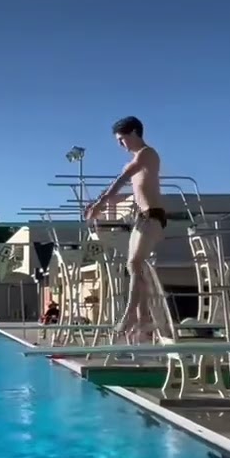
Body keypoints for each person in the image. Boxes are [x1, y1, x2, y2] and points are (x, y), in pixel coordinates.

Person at [84, 116, 167, 339]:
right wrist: (98, 205)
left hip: (153, 217)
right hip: (140, 218)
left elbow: (121, 179)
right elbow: (128, 192)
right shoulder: (135, 162)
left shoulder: (147, 154)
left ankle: (130, 314)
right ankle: (143, 320)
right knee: (133, 268)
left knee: (134, 262)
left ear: (134, 133)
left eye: (121, 139)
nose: (120, 145)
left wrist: (100, 203)